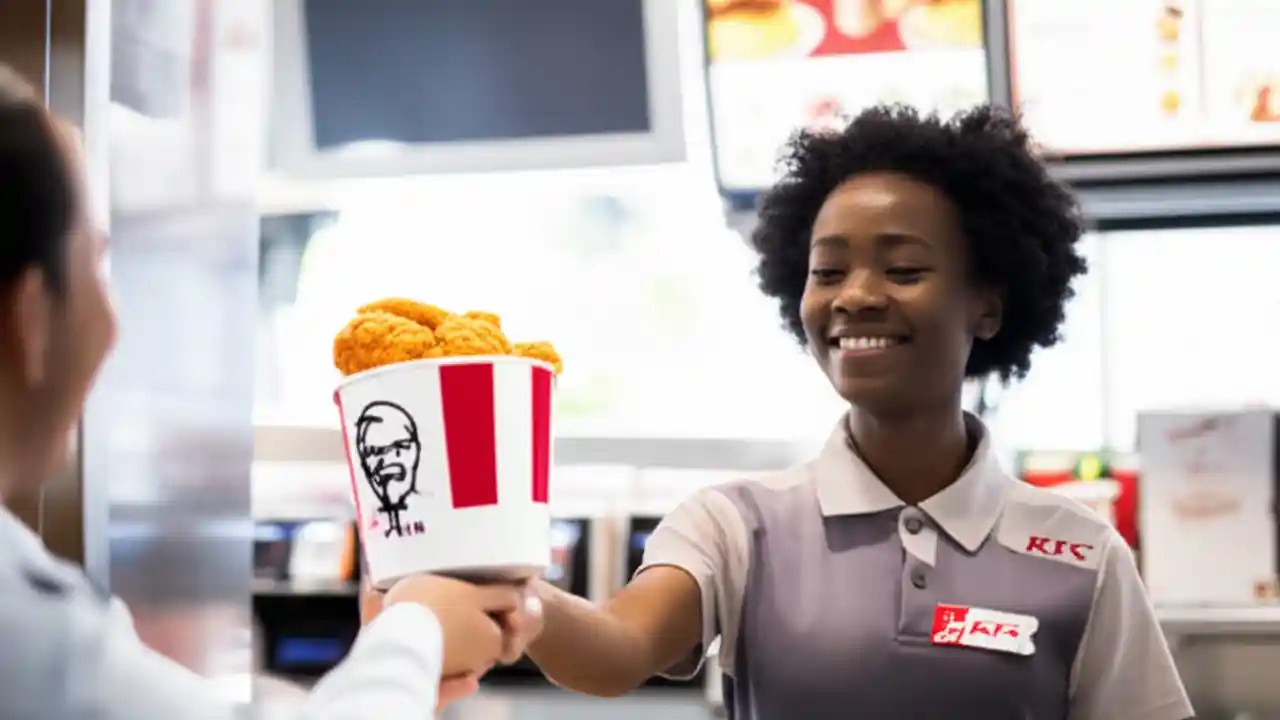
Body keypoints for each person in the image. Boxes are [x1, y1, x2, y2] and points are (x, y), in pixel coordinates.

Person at [524, 105, 1194, 719]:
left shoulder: (1081, 552)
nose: (856, 297)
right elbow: (616, 650)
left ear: (987, 303)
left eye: (903, 270)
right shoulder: (735, 527)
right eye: (828, 272)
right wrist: (505, 587)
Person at [0, 65, 536, 718]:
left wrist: (400, 653)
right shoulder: (27, 626)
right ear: (28, 316)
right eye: (99, 264)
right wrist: (413, 632)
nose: (116, 325)